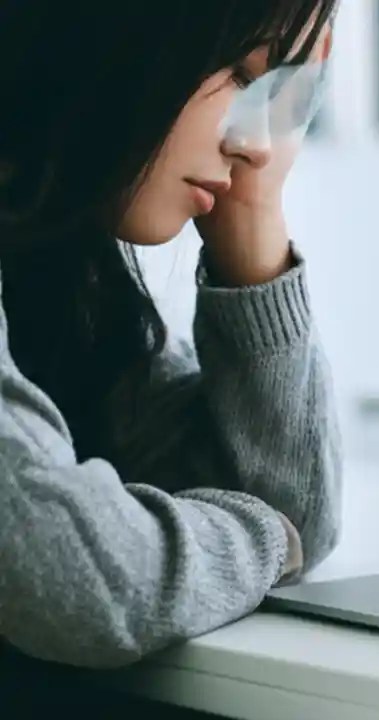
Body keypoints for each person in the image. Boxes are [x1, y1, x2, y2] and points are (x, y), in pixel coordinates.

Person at [0, 1, 342, 715]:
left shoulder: (57, 269)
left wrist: (251, 217)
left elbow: (297, 508)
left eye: (277, 93)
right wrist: (261, 537)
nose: (257, 140)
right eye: (241, 72)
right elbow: (86, 578)